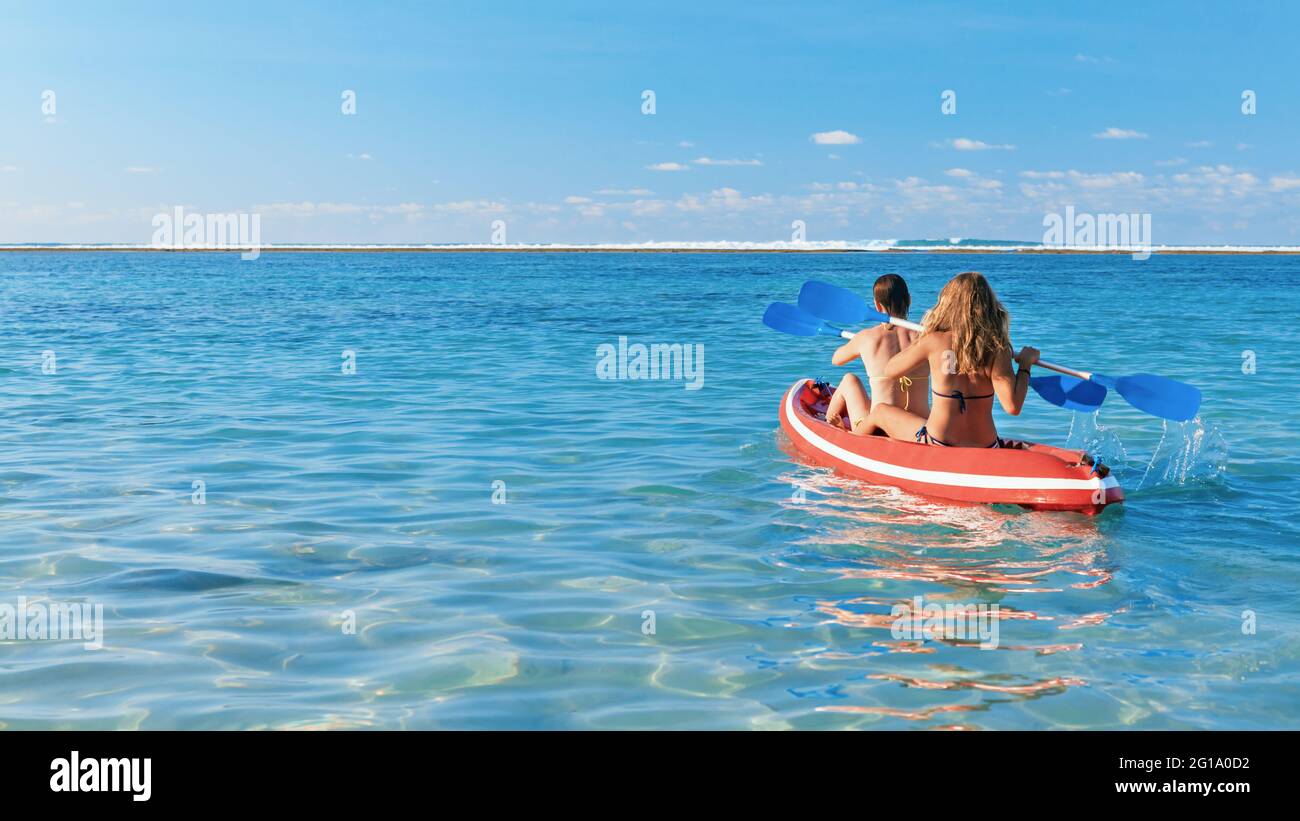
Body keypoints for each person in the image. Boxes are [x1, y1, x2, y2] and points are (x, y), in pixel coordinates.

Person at [857, 271, 1039, 447]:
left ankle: (850, 441)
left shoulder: (934, 341)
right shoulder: (999, 347)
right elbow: (1012, 406)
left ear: (948, 304)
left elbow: (890, 370)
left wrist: (923, 338)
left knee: (881, 411)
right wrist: (1025, 365)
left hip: (939, 442)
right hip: (987, 444)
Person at [823, 274, 930, 432]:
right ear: (909, 300)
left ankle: (828, 426)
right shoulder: (927, 336)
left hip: (877, 428)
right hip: (919, 425)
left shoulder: (867, 337)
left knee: (849, 380)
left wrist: (860, 346)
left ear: (877, 306)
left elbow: (836, 359)